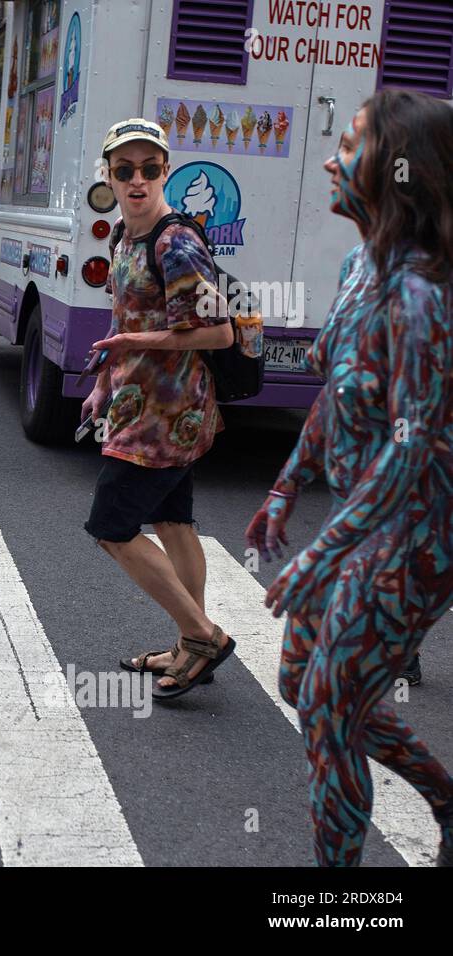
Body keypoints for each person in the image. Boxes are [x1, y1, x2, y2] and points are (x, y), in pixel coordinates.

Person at [246, 89, 453, 867]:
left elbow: (410, 444)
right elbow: (339, 393)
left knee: (330, 717)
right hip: (360, 523)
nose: (331, 158)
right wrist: (285, 485)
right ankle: (447, 800)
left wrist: (324, 553)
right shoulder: (359, 264)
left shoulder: (424, 293)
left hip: (415, 536)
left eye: (349, 144)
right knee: (310, 689)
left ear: (400, 172)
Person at [81, 118, 235, 699]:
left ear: (166, 171)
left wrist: (135, 347)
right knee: (173, 523)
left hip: (167, 419)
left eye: (149, 168)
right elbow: (125, 319)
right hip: (139, 406)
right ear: (111, 177)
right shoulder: (124, 235)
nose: (137, 179)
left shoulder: (177, 242)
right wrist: (104, 379)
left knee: (112, 527)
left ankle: (203, 638)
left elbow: (218, 333)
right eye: (125, 170)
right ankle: (186, 643)